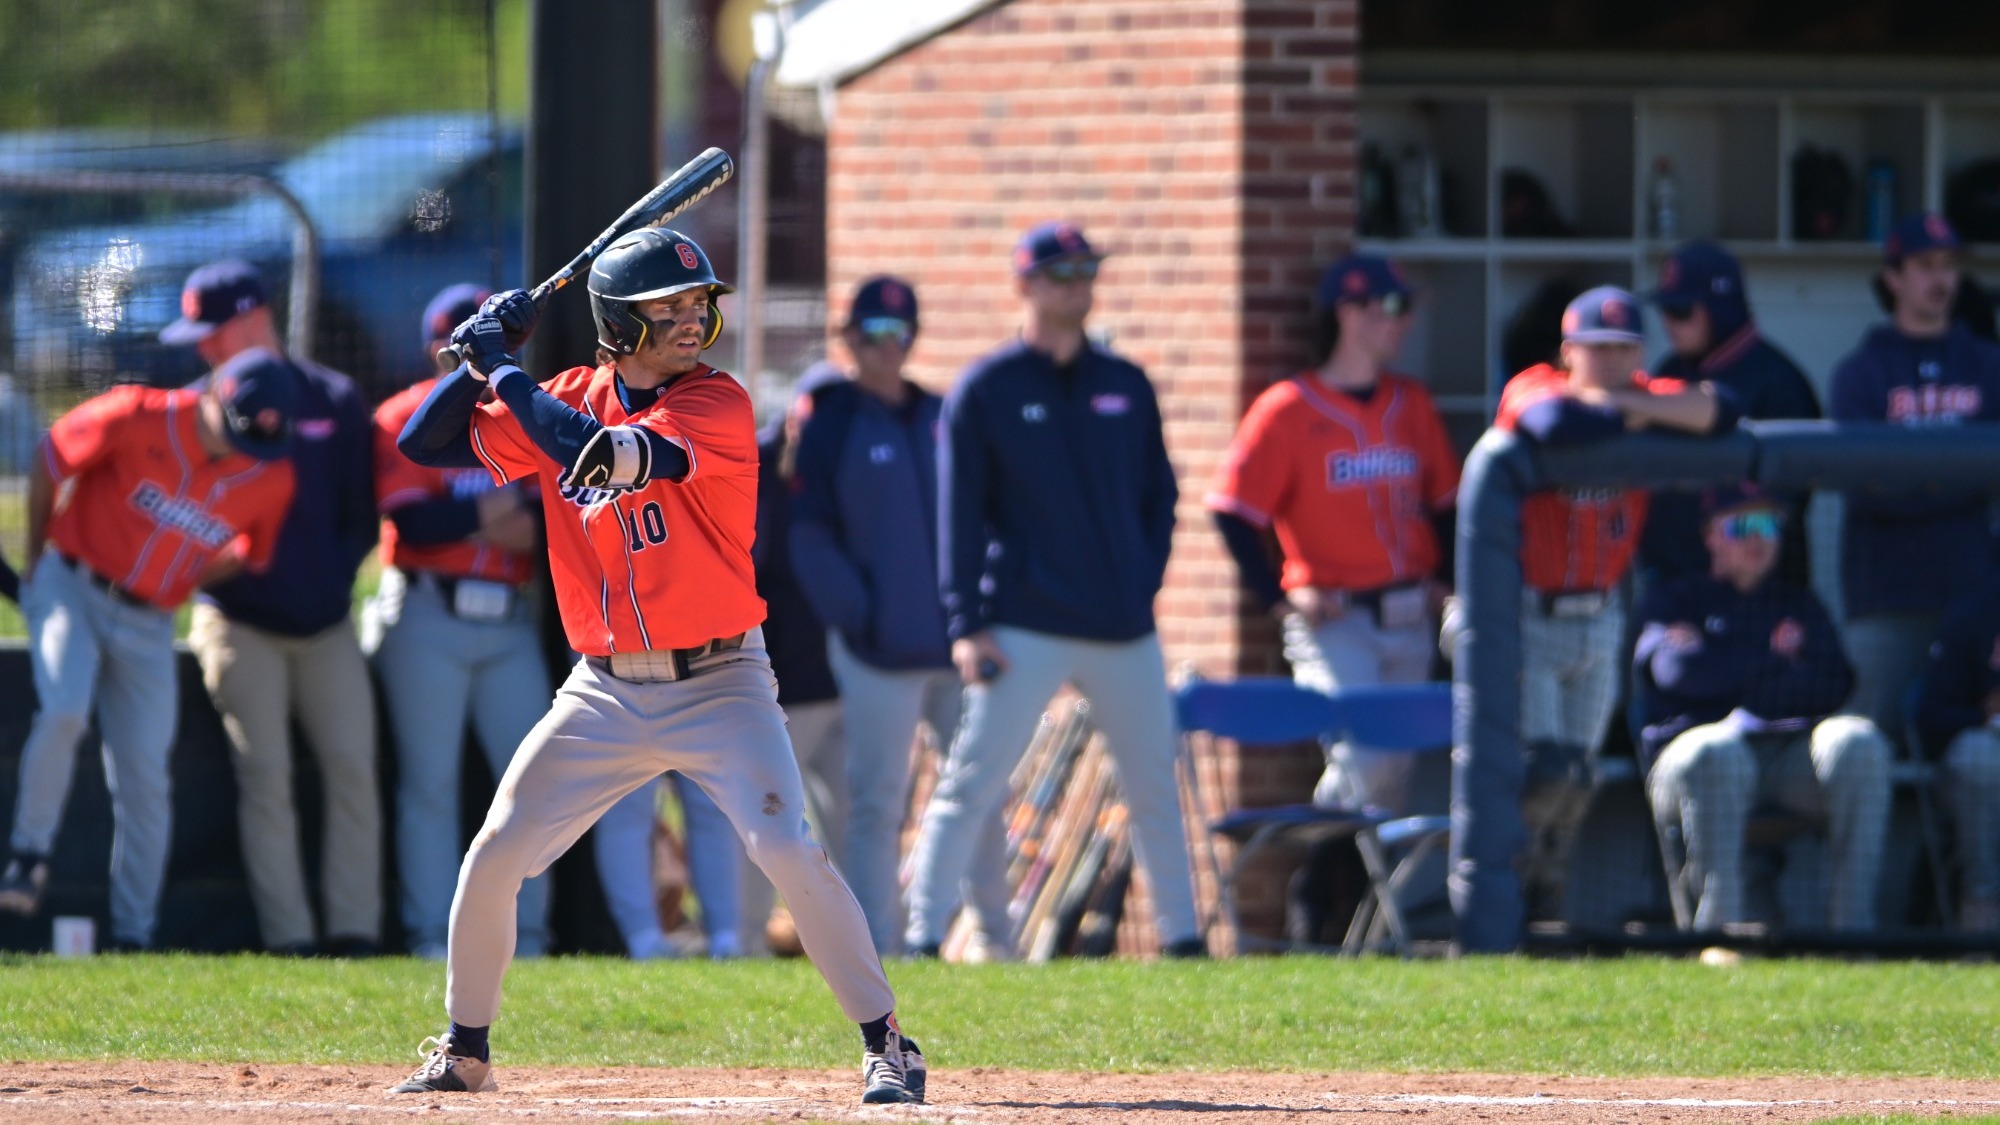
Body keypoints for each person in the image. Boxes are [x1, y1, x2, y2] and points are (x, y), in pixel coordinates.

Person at [387, 227, 924, 1103]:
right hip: (602, 688)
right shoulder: (566, 391)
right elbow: (426, 443)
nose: (689, 321)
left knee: (787, 847)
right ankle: (465, 1049)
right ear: (615, 321)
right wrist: (478, 358)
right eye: (664, 310)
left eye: (695, 305)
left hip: (721, 681)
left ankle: (887, 1044)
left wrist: (505, 371)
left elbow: (598, 455)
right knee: (495, 851)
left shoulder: (717, 403)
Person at [903, 220, 1202, 959]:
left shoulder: (1124, 384)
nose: (1079, 287)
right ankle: (919, 933)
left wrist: (1141, 578)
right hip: (1023, 621)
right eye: (1064, 274)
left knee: (1155, 788)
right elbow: (958, 517)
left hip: (1122, 624)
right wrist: (965, 622)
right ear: (1025, 283)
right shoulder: (987, 389)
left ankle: (1184, 939)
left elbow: (1159, 498)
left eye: (1087, 272)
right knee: (973, 781)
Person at [0, 349, 297, 949]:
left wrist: (182, 580)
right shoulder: (137, 413)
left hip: (151, 619)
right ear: (213, 392)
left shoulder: (272, 475)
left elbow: (249, 554)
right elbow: (51, 459)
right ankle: (29, 856)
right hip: (73, 584)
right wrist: (34, 559)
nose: (242, 447)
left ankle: (137, 934)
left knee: (145, 776)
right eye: (235, 429)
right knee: (63, 710)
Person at [1494, 285, 1738, 916]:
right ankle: (1504, 893)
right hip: (1526, 608)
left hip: (1600, 610)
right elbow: (1554, 422)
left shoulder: (1642, 391)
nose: (1606, 364)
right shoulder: (1537, 383)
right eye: (1594, 351)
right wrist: (1639, 411)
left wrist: (1629, 404)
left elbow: (1723, 411)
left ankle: (1544, 896)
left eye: (1621, 350)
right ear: (1567, 350)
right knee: (1541, 770)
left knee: (1580, 772)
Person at [164, 261, 382, 958]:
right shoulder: (196, 408)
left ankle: (354, 933)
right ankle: (290, 940)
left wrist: (325, 584)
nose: (202, 347)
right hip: (237, 617)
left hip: (325, 624)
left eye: (212, 330)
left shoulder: (333, 397)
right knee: (267, 776)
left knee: (353, 767)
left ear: (255, 319)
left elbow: (361, 516)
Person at [789, 277, 1011, 959]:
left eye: (902, 332)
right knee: (874, 805)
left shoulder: (946, 414)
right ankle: (877, 948)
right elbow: (808, 534)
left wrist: (984, 602)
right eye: (875, 334)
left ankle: (996, 939)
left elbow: (992, 512)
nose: (890, 347)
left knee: (980, 791)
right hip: (877, 650)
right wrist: (859, 613)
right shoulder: (830, 424)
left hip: (958, 642)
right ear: (851, 339)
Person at [1208, 253, 1460, 815]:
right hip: (1336, 619)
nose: (1403, 322)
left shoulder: (1410, 403)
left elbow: (1446, 503)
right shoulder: (1288, 409)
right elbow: (1232, 511)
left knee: (1394, 773)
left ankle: (1357, 900)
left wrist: (1444, 579)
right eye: (1391, 307)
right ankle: (1318, 886)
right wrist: (1277, 598)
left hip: (1408, 613)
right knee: (1362, 763)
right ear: (1349, 312)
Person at [371, 284, 553, 960]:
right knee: (430, 784)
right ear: (437, 349)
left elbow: (544, 526)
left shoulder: (524, 413)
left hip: (508, 619)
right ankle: (428, 934)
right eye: (469, 342)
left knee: (530, 782)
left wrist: (481, 524)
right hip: (428, 610)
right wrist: (490, 520)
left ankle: (529, 934)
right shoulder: (400, 415)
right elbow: (415, 523)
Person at [1635, 486, 1890, 933]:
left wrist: (1722, 661)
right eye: (1743, 525)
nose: (1759, 538)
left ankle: (1853, 936)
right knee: (1718, 751)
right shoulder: (1673, 599)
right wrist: (1779, 664)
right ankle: (1717, 937)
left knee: (1858, 740)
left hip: (1784, 757)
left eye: (1768, 525)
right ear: (1711, 535)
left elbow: (1834, 683)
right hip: (1694, 762)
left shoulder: (1798, 603)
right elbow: (1677, 673)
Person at [1830, 213, 2000, 751]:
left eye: (1948, 265)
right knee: (1867, 747)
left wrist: (1913, 484)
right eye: (1925, 265)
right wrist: (1960, 486)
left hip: (1974, 592)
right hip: (1886, 592)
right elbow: (1864, 487)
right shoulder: (1861, 371)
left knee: (1975, 746)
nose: (1940, 278)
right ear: (1894, 277)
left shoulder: (1987, 364)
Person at [740, 362, 852, 956]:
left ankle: (862, 946)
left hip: (844, 682)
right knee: (768, 825)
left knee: (853, 825)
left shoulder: (848, 469)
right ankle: (746, 941)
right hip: (777, 685)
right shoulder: (757, 467)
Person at [1642, 242, 1820, 586]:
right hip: (1673, 587)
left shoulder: (1780, 382)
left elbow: (1786, 507)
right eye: (1664, 311)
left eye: (1681, 312)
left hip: (1758, 596)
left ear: (1720, 309)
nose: (1668, 323)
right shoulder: (1668, 372)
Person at [1911, 579, 2000, 932]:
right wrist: (1983, 714)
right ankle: (1983, 918)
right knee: (1978, 756)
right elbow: (1929, 718)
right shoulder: (1975, 613)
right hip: (1984, 764)